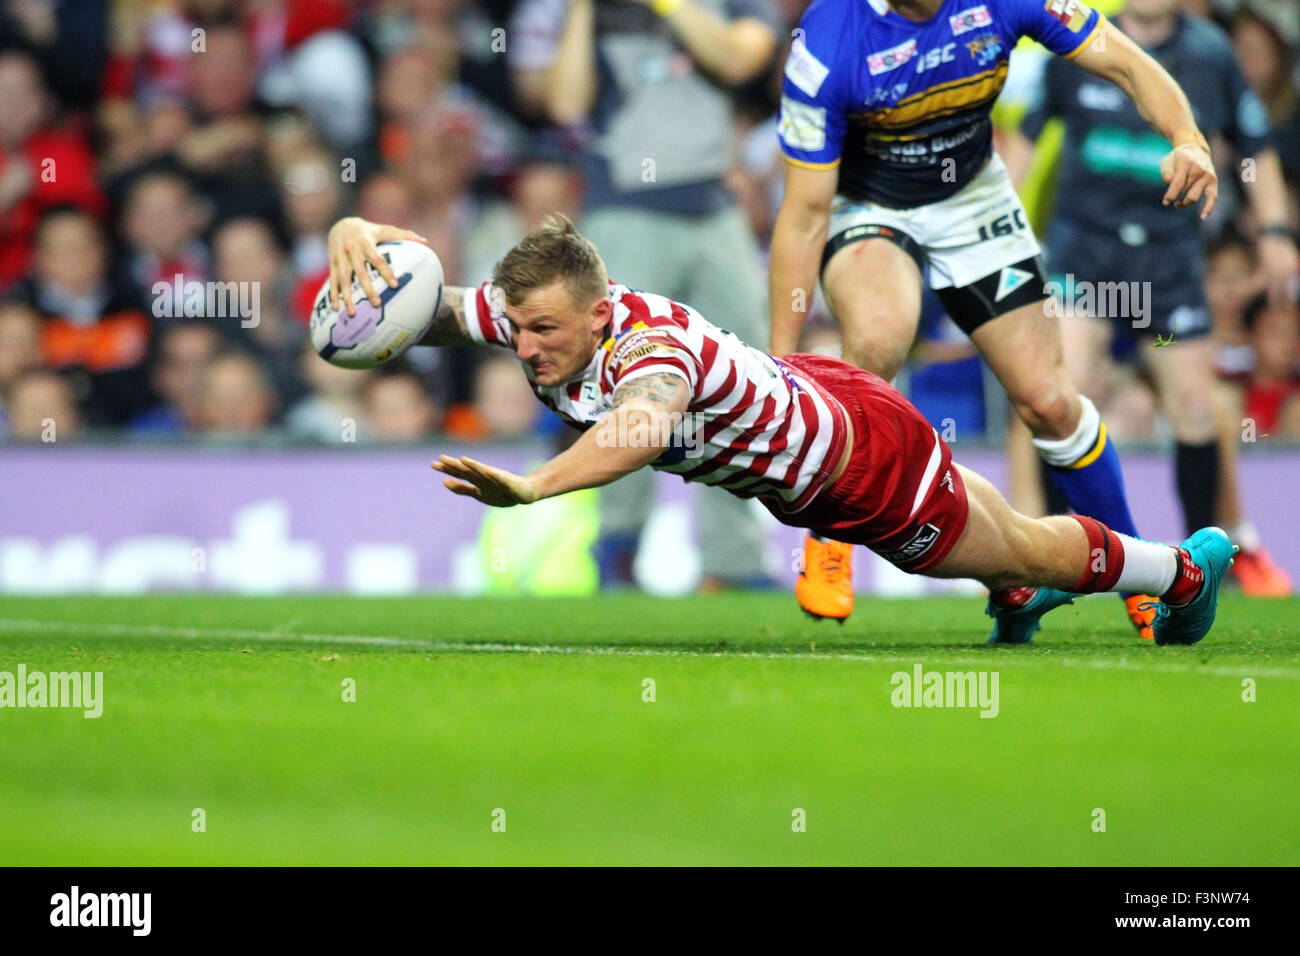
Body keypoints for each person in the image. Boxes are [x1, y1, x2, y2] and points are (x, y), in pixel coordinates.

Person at [325, 215, 1236, 645]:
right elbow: (435, 309)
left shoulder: (652, 354)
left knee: (1027, 552)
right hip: (817, 401)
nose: (525, 349)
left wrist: (533, 486)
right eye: (517, 329)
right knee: (995, 542)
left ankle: (1178, 569)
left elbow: (639, 430)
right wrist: (356, 231)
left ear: (601, 315)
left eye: (544, 333)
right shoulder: (548, 314)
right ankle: (1012, 588)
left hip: (857, 470)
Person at [768, 0, 1220, 635]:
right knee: (875, 341)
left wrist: (1188, 140)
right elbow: (806, 212)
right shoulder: (828, 38)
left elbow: (1126, 63)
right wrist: (784, 369)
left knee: (1050, 404)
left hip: (973, 198)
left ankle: (1140, 581)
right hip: (870, 203)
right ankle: (828, 537)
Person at [1002, 0, 1299, 598]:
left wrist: (1273, 232)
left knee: (1193, 403)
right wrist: (1003, 228)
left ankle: (1200, 561)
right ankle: (1058, 556)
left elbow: (1254, 146)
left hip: (1167, 265)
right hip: (1086, 260)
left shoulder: (1212, 56)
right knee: (1061, 398)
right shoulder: (1079, 44)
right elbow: (1026, 140)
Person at [509, 0, 782, 591]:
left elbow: (739, 60)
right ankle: (619, 547)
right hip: (623, 208)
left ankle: (732, 560)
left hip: (713, 207)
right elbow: (565, 103)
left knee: (740, 380)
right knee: (612, 378)